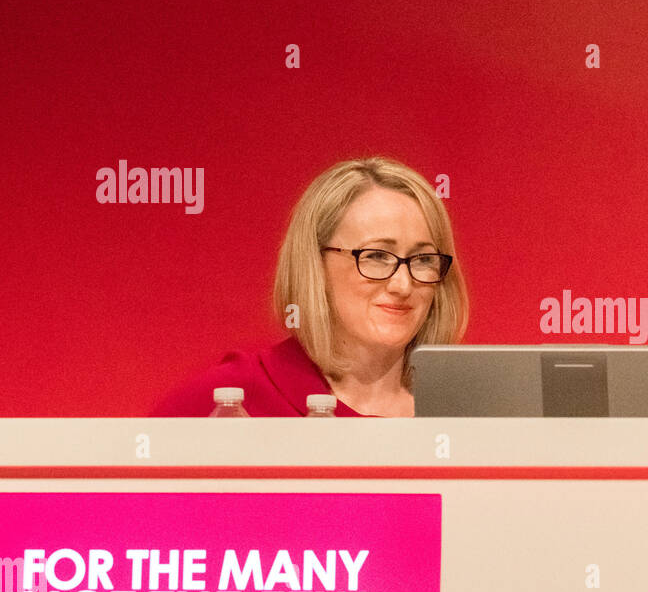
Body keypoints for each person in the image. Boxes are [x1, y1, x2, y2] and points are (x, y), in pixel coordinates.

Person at [151, 157, 469, 416]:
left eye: (424, 259)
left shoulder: (469, 408)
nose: (403, 284)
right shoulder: (234, 399)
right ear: (315, 265)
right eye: (375, 256)